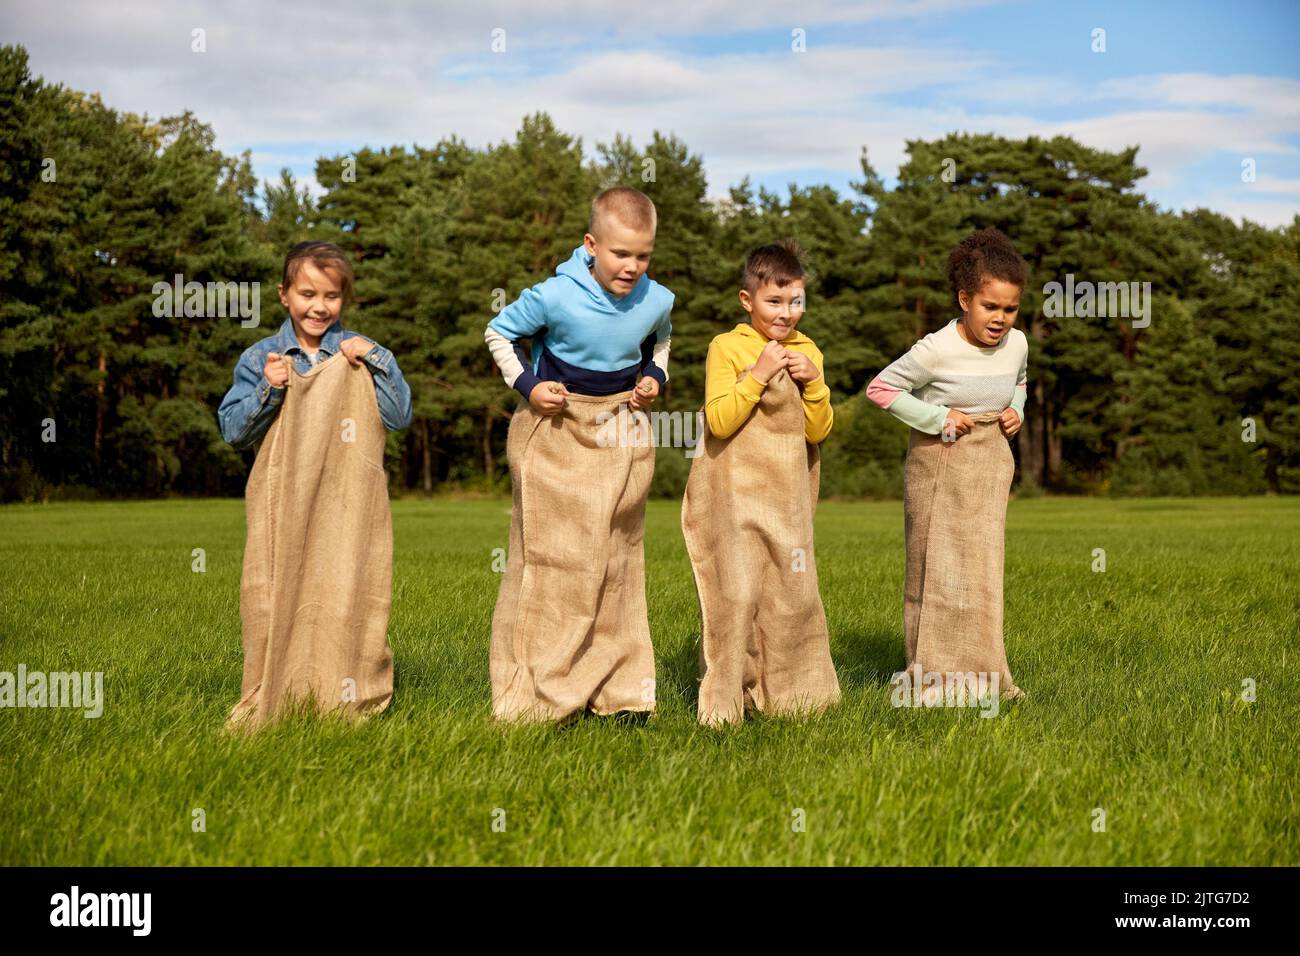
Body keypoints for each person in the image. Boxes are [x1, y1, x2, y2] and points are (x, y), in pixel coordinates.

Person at [484, 187, 674, 723]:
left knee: (617, 559)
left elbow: (660, 340)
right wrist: (526, 384)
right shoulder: (553, 296)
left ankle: (619, 691)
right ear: (591, 245)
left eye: (643, 255)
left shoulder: (656, 298)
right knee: (555, 558)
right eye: (620, 254)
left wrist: (653, 377)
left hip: (620, 431)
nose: (632, 266)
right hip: (557, 426)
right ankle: (539, 692)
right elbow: (498, 332)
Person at [219, 240, 412, 731]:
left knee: (348, 583)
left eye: (331, 296)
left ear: (344, 298)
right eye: (307, 294)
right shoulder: (262, 356)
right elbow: (233, 432)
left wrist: (376, 357)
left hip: (346, 498)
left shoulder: (359, 354)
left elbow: (398, 416)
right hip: (282, 497)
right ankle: (273, 687)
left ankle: (340, 688)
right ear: (284, 295)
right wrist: (270, 388)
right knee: (270, 587)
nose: (319, 306)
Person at [866, 227, 1029, 706]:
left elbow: (1020, 379)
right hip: (939, 464)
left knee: (980, 569)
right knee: (934, 567)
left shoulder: (1017, 344)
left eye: (1010, 308)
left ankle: (983, 675)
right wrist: (938, 418)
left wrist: (1016, 405)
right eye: (990, 307)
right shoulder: (935, 348)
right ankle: (932, 679)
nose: (1000, 319)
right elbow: (881, 389)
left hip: (990, 465)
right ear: (965, 299)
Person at [681, 240, 840, 726]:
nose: (787, 313)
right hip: (733, 497)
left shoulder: (808, 349)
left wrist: (814, 382)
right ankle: (726, 701)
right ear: (747, 300)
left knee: (792, 594)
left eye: (796, 302)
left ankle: (796, 697)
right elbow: (719, 422)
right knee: (737, 595)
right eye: (775, 301)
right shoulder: (727, 347)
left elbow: (818, 431)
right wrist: (757, 376)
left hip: (787, 497)